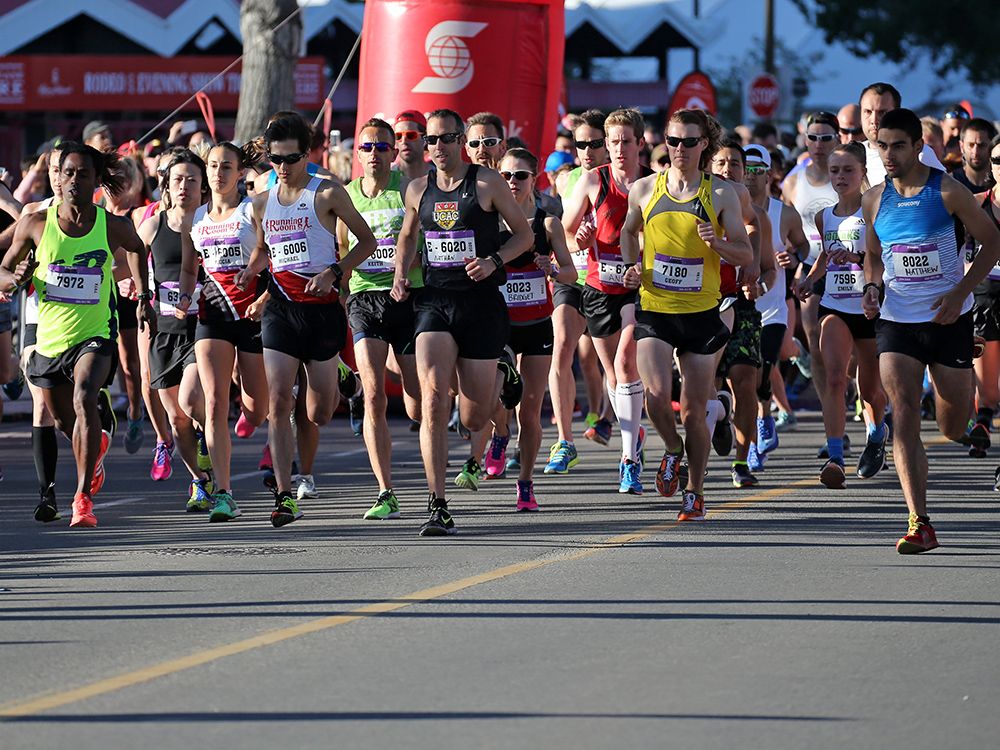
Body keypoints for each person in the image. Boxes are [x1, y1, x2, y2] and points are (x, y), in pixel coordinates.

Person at [862, 108, 1000, 553]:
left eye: (898, 145)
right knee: (901, 411)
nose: (888, 154)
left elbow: (993, 241)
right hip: (897, 320)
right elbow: (875, 256)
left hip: (948, 320)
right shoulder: (873, 199)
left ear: (918, 146)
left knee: (951, 419)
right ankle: (919, 521)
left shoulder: (948, 192)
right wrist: (870, 288)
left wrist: (961, 294)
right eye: (882, 145)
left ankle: (963, 422)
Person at [391, 108, 532, 536]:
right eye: (430, 140)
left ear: (460, 141)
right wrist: (401, 271)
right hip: (435, 301)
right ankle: (437, 503)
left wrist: (493, 261)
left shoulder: (486, 183)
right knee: (434, 398)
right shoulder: (418, 188)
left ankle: (498, 378)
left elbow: (523, 235)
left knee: (473, 417)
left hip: (481, 304)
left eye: (446, 139)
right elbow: (408, 234)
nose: (436, 147)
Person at [0, 143, 154, 527]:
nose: (72, 181)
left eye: (82, 174)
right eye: (66, 173)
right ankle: (95, 445)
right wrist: (14, 278)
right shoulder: (36, 223)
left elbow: (138, 247)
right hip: (50, 340)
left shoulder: (112, 225)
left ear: (96, 181)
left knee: (86, 396)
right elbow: (2, 268)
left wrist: (143, 294)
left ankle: (82, 498)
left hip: (95, 332)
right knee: (63, 421)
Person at [237, 111, 376, 527]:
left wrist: (335, 271)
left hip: (322, 311)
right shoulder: (261, 202)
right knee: (279, 401)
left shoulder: (328, 193)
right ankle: (283, 495)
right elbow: (265, 251)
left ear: (308, 155)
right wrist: (252, 269)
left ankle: (337, 374)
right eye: (276, 160)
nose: (283, 168)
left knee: (316, 412)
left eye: (292, 159)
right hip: (281, 309)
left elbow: (366, 241)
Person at [621, 108, 752, 520]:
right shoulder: (644, 189)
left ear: (704, 145)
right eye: (673, 141)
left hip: (701, 313)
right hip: (655, 309)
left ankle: (694, 491)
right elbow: (628, 230)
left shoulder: (722, 194)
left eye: (689, 142)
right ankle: (672, 450)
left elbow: (745, 253)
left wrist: (717, 244)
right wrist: (630, 266)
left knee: (695, 410)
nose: (679, 149)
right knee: (657, 399)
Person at [473, 148, 576, 509]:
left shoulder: (547, 224)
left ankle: (526, 483)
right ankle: (499, 434)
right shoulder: (487, 223)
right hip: (497, 325)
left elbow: (571, 274)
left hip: (536, 325)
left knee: (530, 410)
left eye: (520, 176)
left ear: (535, 180)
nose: (512, 182)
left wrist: (551, 268)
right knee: (492, 397)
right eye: (506, 176)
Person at [178, 142, 270, 522]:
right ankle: (225, 493)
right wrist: (184, 295)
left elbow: (270, 251)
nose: (218, 174)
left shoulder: (252, 209)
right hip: (212, 316)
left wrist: (253, 271)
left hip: (250, 315)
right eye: (213, 166)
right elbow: (188, 268)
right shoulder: (195, 218)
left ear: (239, 173)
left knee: (258, 408)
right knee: (214, 403)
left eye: (226, 167)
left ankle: (250, 411)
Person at [338, 117, 423, 520]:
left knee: (417, 404)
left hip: (405, 299)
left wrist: (406, 272)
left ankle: (433, 455)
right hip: (364, 299)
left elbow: (425, 245)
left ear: (393, 152)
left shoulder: (408, 190)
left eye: (382, 147)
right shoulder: (345, 196)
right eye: (367, 147)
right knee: (372, 393)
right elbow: (342, 250)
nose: (374, 154)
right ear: (357, 153)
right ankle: (385, 489)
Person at [562, 108, 650, 494]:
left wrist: (642, 263)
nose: (617, 149)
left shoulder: (653, 183)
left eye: (624, 141)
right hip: (599, 286)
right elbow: (565, 235)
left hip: (640, 287)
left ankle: (628, 461)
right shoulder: (592, 181)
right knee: (614, 376)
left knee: (626, 362)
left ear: (640, 144)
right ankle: (636, 433)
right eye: (612, 142)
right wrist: (579, 238)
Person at [794, 141, 888, 489]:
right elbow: (825, 254)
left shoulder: (874, 210)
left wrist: (863, 266)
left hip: (871, 308)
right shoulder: (825, 215)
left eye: (848, 170)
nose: (840, 177)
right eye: (835, 171)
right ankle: (836, 457)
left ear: (863, 171)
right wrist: (809, 280)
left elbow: (881, 256)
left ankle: (877, 432)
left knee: (871, 392)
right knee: (834, 377)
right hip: (834, 304)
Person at [139, 149, 213, 513]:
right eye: (177, 179)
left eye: (192, 179)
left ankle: (208, 438)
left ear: (204, 187)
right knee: (176, 419)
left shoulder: (211, 221)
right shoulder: (154, 224)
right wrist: (130, 284)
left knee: (190, 401)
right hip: (163, 329)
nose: (184, 186)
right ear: (166, 185)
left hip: (203, 327)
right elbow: (124, 261)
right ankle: (200, 483)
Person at [546, 108, 612, 475]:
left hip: (610, 282)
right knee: (562, 349)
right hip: (573, 277)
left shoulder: (621, 180)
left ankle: (620, 428)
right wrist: (574, 241)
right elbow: (564, 235)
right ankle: (565, 441)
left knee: (609, 364)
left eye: (594, 144)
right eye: (580, 144)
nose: (586, 151)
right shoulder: (567, 180)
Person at [710, 139, 775, 488]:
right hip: (703, 304)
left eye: (736, 164)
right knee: (705, 384)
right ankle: (718, 417)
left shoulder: (757, 217)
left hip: (743, 306)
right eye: (721, 162)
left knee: (745, 382)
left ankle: (740, 461)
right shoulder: (699, 206)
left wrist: (759, 285)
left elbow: (768, 270)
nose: (728, 169)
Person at [742, 144, 810, 471]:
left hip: (773, 307)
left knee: (765, 367)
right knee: (746, 373)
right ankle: (758, 433)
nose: (750, 177)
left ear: (769, 174)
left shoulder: (784, 213)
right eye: (746, 169)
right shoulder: (729, 210)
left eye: (757, 170)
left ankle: (763, 420)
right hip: (738, 306)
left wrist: (793, 258)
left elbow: (803, 246)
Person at [782, 111, 839, 456]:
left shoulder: (849, 177)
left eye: (826, 137)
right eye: (813, 137)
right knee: (818, 351)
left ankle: (871, 410)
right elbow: (786, 228)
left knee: (850, 359)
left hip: (852, 271)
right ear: (805, 140)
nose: (819, 145)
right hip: (811, 270)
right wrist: (787, 254)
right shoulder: (793, 182)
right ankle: (834, 428)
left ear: (838, 140)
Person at [859, 82, 945, 186]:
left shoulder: (919, 154)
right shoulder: (853, 155)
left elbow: (948, 193)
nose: (874, 120)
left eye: (882, 112)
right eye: (868, 112)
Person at [953, 118, 996, 194]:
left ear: (992, 147)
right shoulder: (950, 183)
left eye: (981, 145)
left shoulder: (998, 183)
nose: (975, 152)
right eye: (971, 145)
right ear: (961, 147)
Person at [394, 109, 429, 180]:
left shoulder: (439, 177)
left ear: (425, 139)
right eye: (398, 136)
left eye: (411, 135)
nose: (404, 141)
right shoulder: (386, 179)